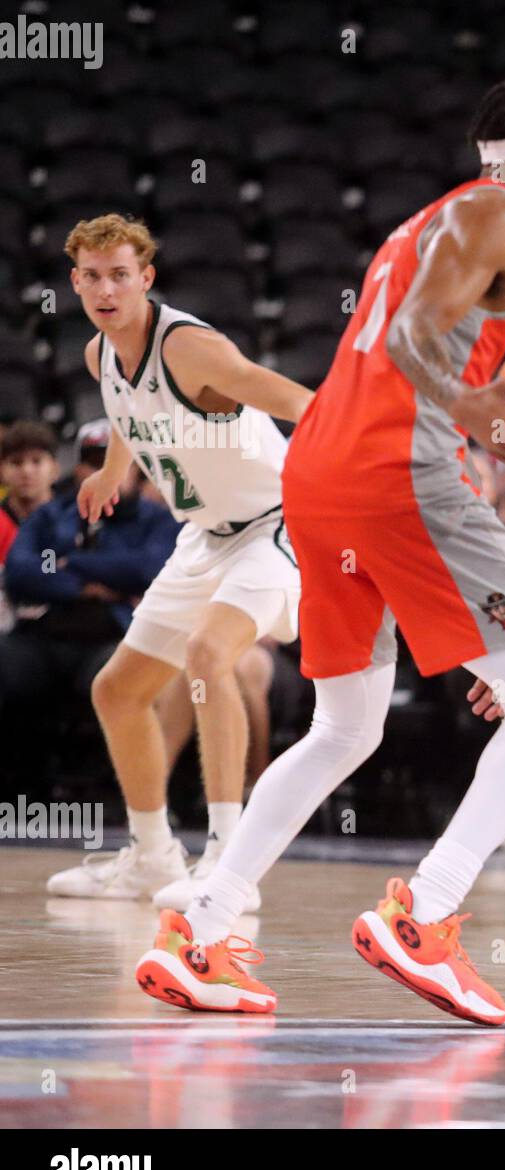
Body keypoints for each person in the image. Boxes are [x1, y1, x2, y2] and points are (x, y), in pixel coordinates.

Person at [135, 69, 505, 1024]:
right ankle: (424, 915)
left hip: (320, 478)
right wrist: (469, 404)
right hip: (400, 481)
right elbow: (412, 336)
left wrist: (469, 419)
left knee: (346, 727)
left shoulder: (431, 221)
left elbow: (409, 334)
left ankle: (205, 931)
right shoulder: (496, 215)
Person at [44, 213, 309, 909]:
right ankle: (155, 857)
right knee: (116, 690)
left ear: (146, 279)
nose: (107, 290)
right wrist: (111, 472)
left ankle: (228, 862)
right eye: (93, 277)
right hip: (205, 536)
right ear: (75, 283)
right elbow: (133, 414)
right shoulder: (101, 355)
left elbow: (282, 394)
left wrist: (344, 442)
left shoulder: (189, 346)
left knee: (208, 655)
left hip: (276, 525)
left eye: (120, 276)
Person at [2, 457, 178, 792]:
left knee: (121, 677)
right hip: (46, 634)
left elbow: (148, 570)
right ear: (77, 471)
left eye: (115, 465)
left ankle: (117, 790)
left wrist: (75, 562)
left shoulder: (156, 519)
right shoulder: (52, 516)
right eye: (90, 463)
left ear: (136, 472)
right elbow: (23, 572)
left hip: (114, 635)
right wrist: (87, 585)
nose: (103, 473)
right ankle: (21, 784)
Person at [0, 420, 60, 632]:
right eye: (16, 462)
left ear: (55, 469)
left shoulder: (77, 519)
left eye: (36, 461)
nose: (26, 471)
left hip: (67, 631)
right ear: (2, 470)